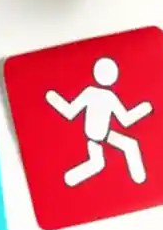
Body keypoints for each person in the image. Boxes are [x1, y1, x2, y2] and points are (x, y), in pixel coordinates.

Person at [46, 57, 152, 187]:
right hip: (99, 136)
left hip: (101, 135)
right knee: (106, 159)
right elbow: (126, 120)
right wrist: (144, 109)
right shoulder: (106, 96)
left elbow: (70, 112)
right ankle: (69, 179)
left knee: (124, 148)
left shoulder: (93, 93)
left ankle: (140, 180)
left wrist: (53, 98)